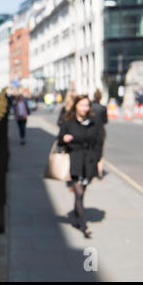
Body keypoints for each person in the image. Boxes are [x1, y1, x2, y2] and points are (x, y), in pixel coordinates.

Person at [58, 95, 104, 238]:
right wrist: (64, 139)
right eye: (82, 105)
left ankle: (75, 218)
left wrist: (97, 159)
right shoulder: (68, 121)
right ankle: (84, 224)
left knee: (82, 191)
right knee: (79, 192)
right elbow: (59, 140)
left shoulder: (94, 122)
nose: (85, 108)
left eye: (87, 105)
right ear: (76, 106)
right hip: (74, 159)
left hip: (89, 161)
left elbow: (99, 142)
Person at [92, 89, 108, 179]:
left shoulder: (89, 106)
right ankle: (99, 172)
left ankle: (92, 169)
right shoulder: (103, 108)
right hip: (100, 132)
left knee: (91, 149)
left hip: (90, 130)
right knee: (100, 153)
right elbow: (105, 121)